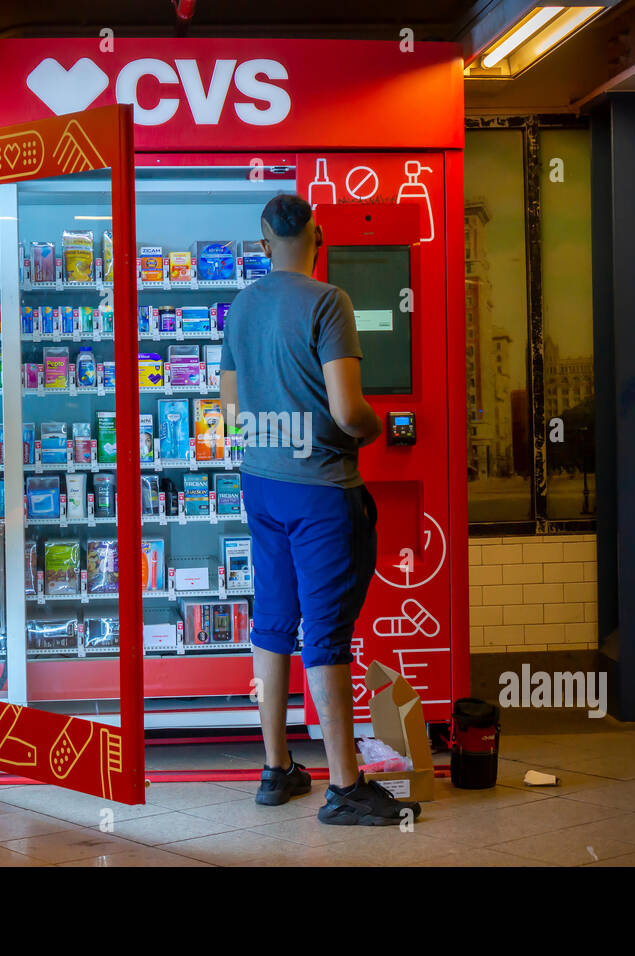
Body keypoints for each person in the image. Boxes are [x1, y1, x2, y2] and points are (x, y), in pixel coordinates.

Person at [219, 193, 421, 826]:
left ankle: (276, 770)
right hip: (322, 491)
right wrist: (374, 425)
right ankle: (343, 788)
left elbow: (227, 412)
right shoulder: (329, 302)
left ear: (261, 242)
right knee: (328, 634)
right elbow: (346, 410)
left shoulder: (242, 306)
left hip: (261, 484)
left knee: (274, 623)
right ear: (319, 235)